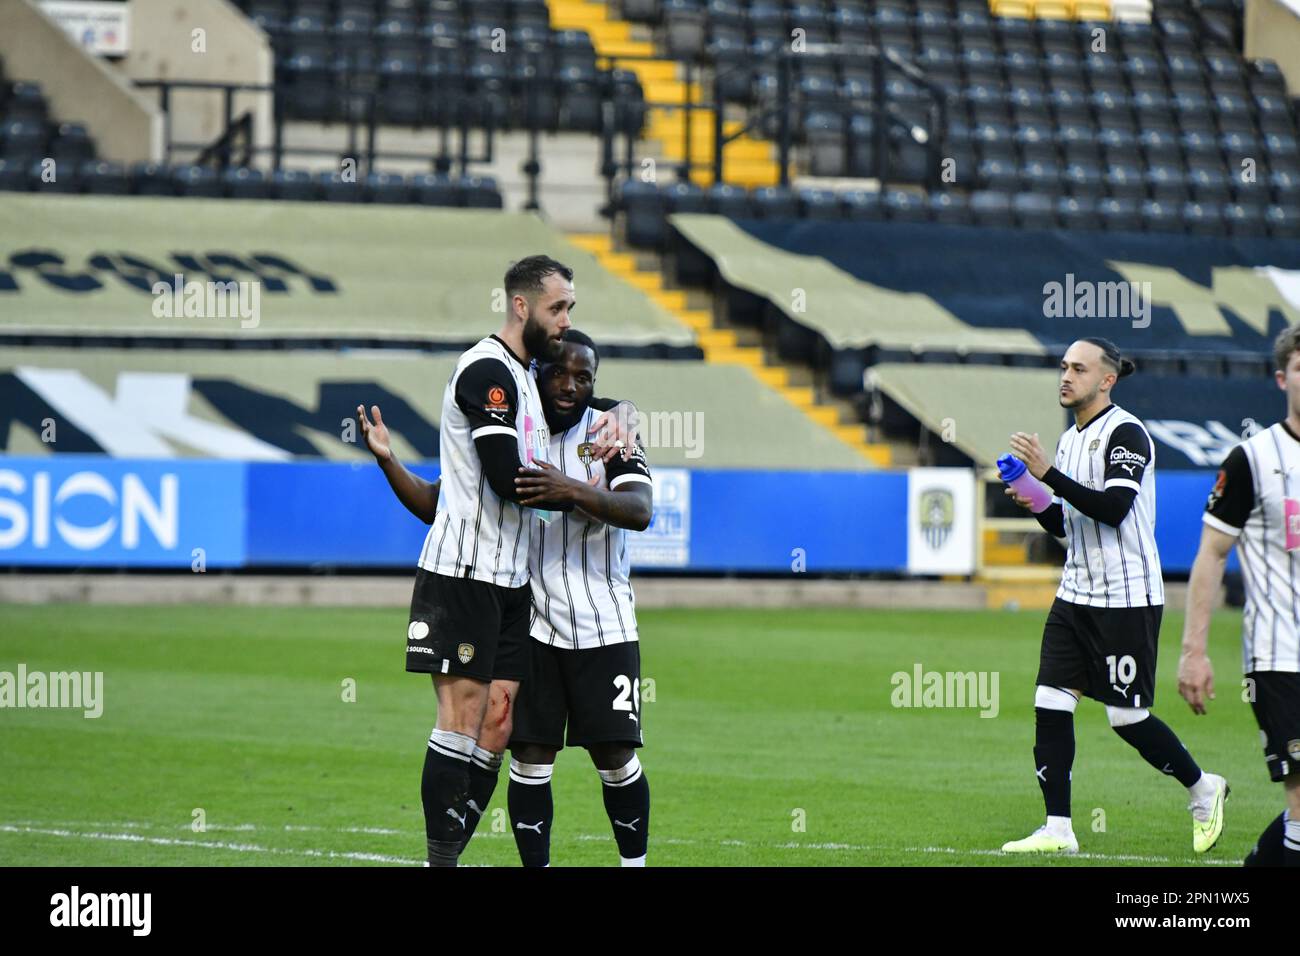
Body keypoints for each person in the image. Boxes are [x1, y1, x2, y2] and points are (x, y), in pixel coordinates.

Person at [356, 255, 633, 866]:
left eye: (570, 309)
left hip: (509, 583)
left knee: (498, 724)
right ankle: (441, 862)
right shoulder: (487, 371)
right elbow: (508, 480)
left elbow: (583, 401)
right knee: (461, 719)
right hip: (464, 574)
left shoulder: (526, 381)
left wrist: (623, 412)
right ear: (521, 305)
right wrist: (589, 495)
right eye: (558, 308)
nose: (566, 320)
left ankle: (450, 850)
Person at [1001, 337, 1227, 855]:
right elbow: (1070, 524)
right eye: (1063, 366)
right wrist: (1036, 499)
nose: (1066, 376)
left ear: (1107, 380)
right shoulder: (1069, 440)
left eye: (1079, 369)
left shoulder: (1127, 433)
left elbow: (1114, 509)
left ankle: (1203, 788)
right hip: (1076, 593)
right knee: (1050, 702)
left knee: (1127, 718)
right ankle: (1058, 828)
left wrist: (1047, 475)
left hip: (1126, 596)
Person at [1178, 324, 1300, 867]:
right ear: (1282, 379)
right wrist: (1193, 652)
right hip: (1279, 655)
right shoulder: (1252, 459)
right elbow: (1211, 554)